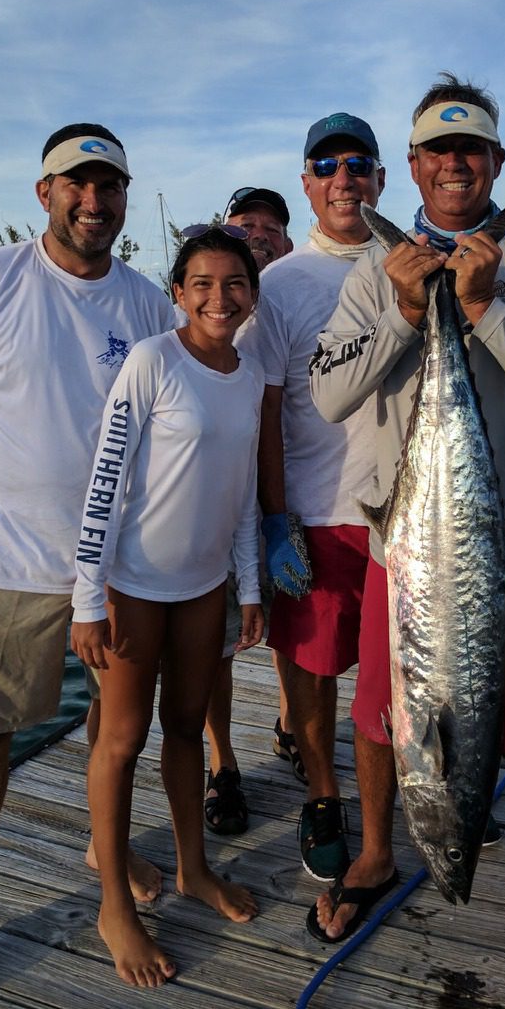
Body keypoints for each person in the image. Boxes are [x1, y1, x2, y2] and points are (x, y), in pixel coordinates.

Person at [309, 74, 505, 1008]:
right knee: (383, 712)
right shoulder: (377, 270)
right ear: (412, 165)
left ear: (497, 164)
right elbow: (331, 395)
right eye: (438, 151)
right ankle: (375, 854)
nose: (455, 163)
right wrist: (411, 314)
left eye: (473, 150)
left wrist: (486, 309)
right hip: (407, 557)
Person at [0, 124, 175, 1009]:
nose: (94, 201)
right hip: (10, 563)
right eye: (77, 184)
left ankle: (110, 863)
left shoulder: (150, 303)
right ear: (44, 193)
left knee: (119, 734)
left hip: (118, 567)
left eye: (109, 186)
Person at [71, 224, 263, 987]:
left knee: (187, 729)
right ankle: (114, 900)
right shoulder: (154, 362)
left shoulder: (248, 373)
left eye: (235, 284)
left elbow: (243, 493)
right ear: (177, 292)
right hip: (135, 586)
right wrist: (89, 598)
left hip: (204, 587)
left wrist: (249, 587)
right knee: (120, 739)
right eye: (203, 285)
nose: (220, 298)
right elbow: (105, 480)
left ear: (251, 292)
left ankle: (192, 869)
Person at [237, 113, 385, 882]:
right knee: (313, 675)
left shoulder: (410, 261)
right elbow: (265, 409)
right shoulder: (281, 282)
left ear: (381, 180)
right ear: (307, 183)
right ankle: (324, 794)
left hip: (410, 518)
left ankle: (416, 790)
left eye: (358, 163)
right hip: (318, 516)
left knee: (410, 675)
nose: (343, 178)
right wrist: (272, 518)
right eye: (326, 166)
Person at [202, 186, 300, 837]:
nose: (258, 232)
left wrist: (279, 518)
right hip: (219, 512)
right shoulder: (205, 315)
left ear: (286, 242)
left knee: (292, 626)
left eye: (270, 225)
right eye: (245, 223)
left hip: (293, 501)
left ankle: (291, 724)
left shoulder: (293, 298)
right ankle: (222, 763)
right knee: (217, 646)